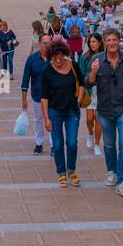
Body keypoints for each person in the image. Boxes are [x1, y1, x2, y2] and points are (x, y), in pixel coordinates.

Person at [88, 30, 123, 197]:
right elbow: (87, 82)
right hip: (105, 110)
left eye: (115, 40)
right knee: (109, 145)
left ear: (119, 41)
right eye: (109, 40)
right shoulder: (96, 60)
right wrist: (94, 72)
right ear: (104, 42)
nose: (112, 43)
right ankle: (111, 171)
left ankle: (122, 181)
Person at [40, 39, 84, 187]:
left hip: (72, 110)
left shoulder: (74, 66)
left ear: (65, 54)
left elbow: (82, 83)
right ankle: (61, 173)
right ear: (50, 56)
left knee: (72, 143)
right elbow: (44, 97)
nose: (58, 60)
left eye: (60, 56)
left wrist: (80, 98)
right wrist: (46, 118)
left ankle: (71, 170)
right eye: (54, 57)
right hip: (54, 111)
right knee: (58, 144)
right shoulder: (47, 71)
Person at [19, 35, 50, 156]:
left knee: (52, 119)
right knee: (38, 119)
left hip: (54, 96)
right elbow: (25, 79)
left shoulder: (55, 58)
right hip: (38, 95)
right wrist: (24, 99)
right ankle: (39, 143)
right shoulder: (32, 58)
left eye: (49, 43)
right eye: (45, 43)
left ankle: (54, 145)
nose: (47, 45)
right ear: (40, 44)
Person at [78, 32, 104, 152]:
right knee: (89, 118)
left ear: (100, 42)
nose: (92, 44)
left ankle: (97, 144)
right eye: (90, 42)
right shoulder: (84, 57)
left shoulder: (105, 56)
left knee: (99, 118)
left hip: (102, 91)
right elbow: (81, 75)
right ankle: (90, 133)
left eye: (94, 42)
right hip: (89, 90)